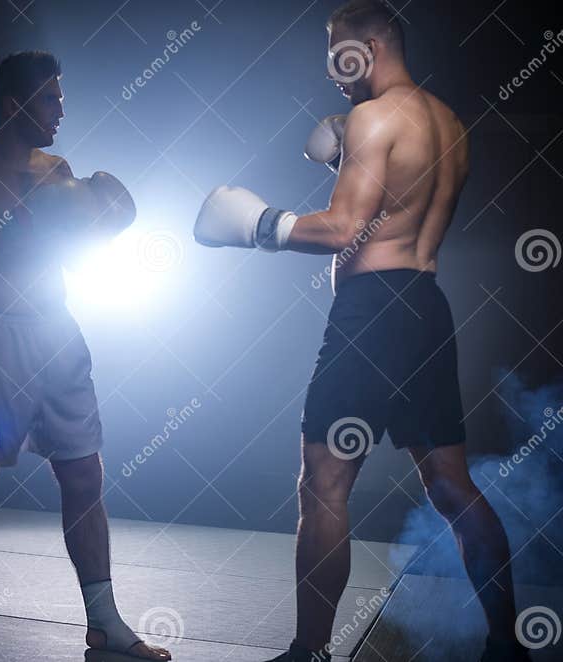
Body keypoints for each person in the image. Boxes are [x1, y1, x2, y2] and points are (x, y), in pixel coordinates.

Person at [193, 2, 527, 661]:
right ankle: (506, 645)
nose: (335, 79)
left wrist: (265, 225)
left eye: (339, 60)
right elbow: (397, 206)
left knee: (323, 482)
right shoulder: (451, 126)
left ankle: (308, 652)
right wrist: (345, 156)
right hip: (425, 309)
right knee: (453, 486)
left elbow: (348, 229)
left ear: (368, 47)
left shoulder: (375, 118)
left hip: (372, 313)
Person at [0, 51, 171, 661]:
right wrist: (20, 227)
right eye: (51, 99)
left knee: (84, 473)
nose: (61, 111)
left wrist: (87, 224)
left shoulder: (59, 169)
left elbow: (72, 248)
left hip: (57, 331)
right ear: (13, 105)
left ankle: (104, 623)